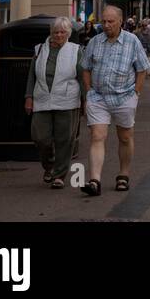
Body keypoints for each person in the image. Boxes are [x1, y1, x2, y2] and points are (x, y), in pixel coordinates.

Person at [79, 5, 150, 196]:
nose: (107, 25)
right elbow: (85, 67)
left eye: (111, 21)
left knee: (125, 137)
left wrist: (136, 93)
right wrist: (88, 91)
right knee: (97, 136)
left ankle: (123, 175)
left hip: (124, 96)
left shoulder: (132, 41)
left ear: (120, 21)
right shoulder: (95, 42)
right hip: (99, 97)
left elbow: (142, 69)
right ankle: (95, 181)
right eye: (104, 21)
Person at [26, 17, 85, 189]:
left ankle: (59, 175)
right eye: (55, 32)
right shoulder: (40, 49)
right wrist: (28, 97)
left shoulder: (76, 51)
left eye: (62, 32)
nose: (58, 35)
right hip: (42, 98)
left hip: (67, 100)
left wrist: (86, 99)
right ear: (50, 33)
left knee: (65, 139)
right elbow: (31, 75)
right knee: (40, 137)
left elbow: (82, 77)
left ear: (68, 34)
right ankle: (49, 165)